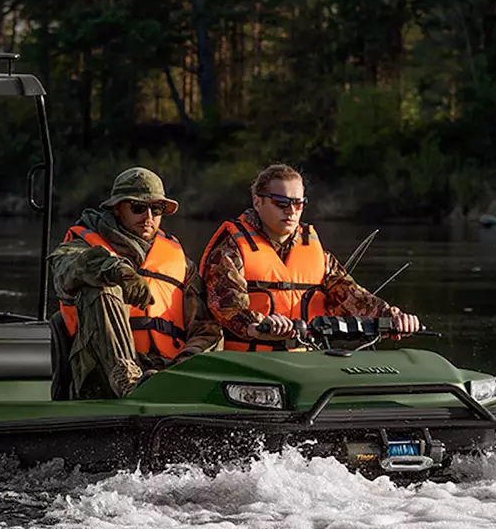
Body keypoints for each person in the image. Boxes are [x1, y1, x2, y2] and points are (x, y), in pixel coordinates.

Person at [200, 163, 420, 349]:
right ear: (258, 202)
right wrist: (260, 324)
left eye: (298, 203)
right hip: (249, 363)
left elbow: (350, 295)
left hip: (308, 359)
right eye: (281, 203)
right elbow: (228, 307)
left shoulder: (316, 252)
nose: (291, 211)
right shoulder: (230, 249)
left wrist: (391, 318)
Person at [49, 167, 222, 399]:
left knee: (215, 325)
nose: (149, 217)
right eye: (139, 208)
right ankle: (128, 381)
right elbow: (64, 274)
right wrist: (114, 270)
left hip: (165, 374)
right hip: (98, 373)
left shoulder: (180, 262)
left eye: (157, 209)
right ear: (118, 208)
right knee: (102, 288)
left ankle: (174, 384)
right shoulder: (83, 245)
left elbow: (205, 327)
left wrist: (181, 370)